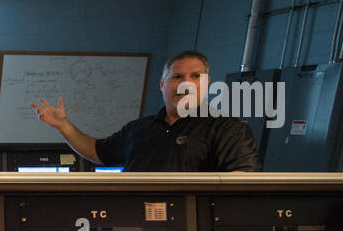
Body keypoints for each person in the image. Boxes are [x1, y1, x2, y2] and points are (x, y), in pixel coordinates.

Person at [32, 51, 261, 172]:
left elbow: (241, 179)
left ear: (207, 82)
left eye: (195, 77)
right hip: (133, 224)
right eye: (177, 77)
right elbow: (97, 152)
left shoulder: (226, 128)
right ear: (162, 84)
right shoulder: (140, 128)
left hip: (188, 229)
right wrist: (63, 125)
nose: (185, 84)